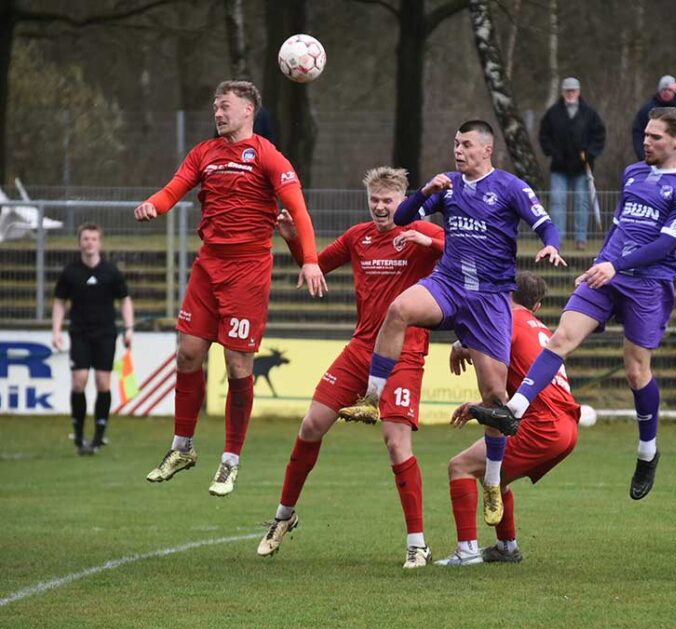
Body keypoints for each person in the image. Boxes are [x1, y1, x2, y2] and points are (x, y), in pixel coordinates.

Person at [337, 120, 565, 528]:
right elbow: (405, 218)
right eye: (454, 144)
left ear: (486, 150)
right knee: (399, 310)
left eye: (464, 144)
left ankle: (493, 482)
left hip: (491, 299)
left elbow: (543, 221)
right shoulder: (448, 186)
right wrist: (425, 192)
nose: (457, 150)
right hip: (449, 284)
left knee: (495, 397)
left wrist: (551, 243)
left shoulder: (510, 187)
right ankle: (372, 399)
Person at [470, 107, 676, 503]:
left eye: (656, 137)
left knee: (636, 370)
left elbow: (667, 245)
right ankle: (516, 410)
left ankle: (648, 450)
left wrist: (616, 265)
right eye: (645, 134)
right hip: (608, 274)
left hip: (648, 284)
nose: (646, 142)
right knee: (560, 338)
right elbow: (620, 226)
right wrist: (601, 263)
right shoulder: (633, 173)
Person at [134, 80, 326, 496]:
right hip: (209, 264)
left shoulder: (269, 156)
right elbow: (174, 188)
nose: (217, 114)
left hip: (248, 270)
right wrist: (155, 204)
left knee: (238, 367)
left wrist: (310, 260)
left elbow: (297, 209)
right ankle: (182, 447)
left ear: (247, 111)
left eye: (224, 107)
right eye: (215, 107)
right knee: (187, 352)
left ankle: (229, 461)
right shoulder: (204, 153)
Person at [257, 166, 445, 568]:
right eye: (374, 200)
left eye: (388, 201)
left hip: (405, 354)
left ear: (403, 202)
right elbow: (317, 266)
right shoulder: (357, 237)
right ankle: (283, 516)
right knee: (310, 425)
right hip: (361, 350)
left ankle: (418, 544)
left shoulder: (421, 235)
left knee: (396, 443)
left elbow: (459, 257)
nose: (379, 207)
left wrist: (427, 238)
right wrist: (294, 242)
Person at [437, 272, 581, 566]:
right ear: (537, 306)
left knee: (461, 467)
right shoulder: (541, 329)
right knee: (495, 472)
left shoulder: (509, 321)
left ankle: (466, 552)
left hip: (542, 426)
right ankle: (507, 548)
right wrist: (481, 407)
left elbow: (483, 341)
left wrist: (459, 345)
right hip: (564, 426)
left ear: (506, 295)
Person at [51, 223, 134, 455]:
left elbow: (125, 299)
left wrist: (129, 328)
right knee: (79, 381)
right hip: (80, 333)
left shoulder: (110, 272)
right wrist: (56, 330)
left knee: (102, 383)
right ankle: (78, 434)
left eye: (94, 239)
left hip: (106, 333)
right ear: (80, 242)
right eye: (85, 239)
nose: (89, 243)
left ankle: (98, 436)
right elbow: (59, 301)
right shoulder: (70, 273)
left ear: (100, 242)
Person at [539, 77, 607, 250]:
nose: (570, 93)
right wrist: (553, 153)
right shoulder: (553, 113)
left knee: (582, 202)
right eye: (567, 90)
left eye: (573, 90)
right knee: (557, 202)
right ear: (562, 92)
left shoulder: (589, 113)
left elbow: (599, 135)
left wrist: (590, 154)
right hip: (559, 167)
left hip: (582, 169)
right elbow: (544, 136)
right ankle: (557, 238)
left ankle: (581, 238)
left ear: (578, 92)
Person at [632, 75, 676, 165]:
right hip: (655, 159)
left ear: (675, 91)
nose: (666, 92)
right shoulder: (648, 108)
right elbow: (638, 131)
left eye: (669, 90)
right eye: (664, 90)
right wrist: (643, 155)